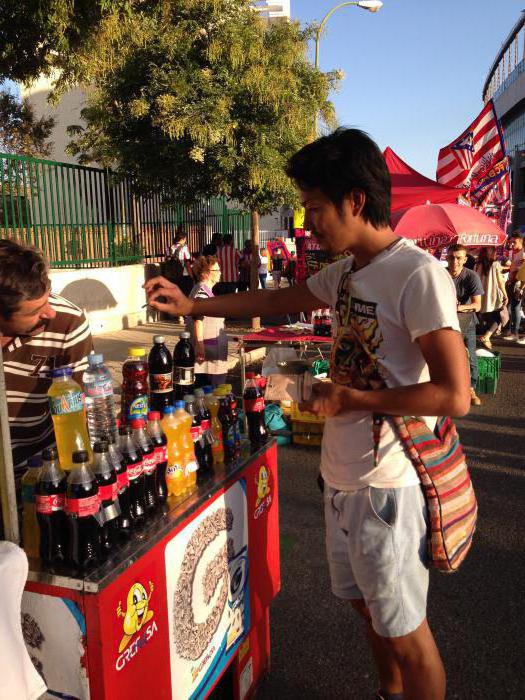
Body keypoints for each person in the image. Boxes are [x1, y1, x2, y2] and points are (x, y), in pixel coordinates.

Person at [146, 127, 470, 700]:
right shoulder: (347, 272)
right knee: (365, 609)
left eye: (315, 208)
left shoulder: (418, 275)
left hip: (388, 488)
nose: (308, 221)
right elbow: (276, 300)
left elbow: (453, 395)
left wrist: (355, 400)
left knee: (409, 636)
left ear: (355, 201)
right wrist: (195, 303)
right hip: (342, 479)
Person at [0, 239, 93, 482]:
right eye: (33, 311)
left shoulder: (67, 323)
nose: (49, 312)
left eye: (48, 297)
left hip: (40, 472)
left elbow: (80, 414)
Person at [446, 244, 484, 406]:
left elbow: (477, 305)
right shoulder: (440, 274)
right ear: (446, 258)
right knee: (445, 355)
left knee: (469, 356)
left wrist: (459, 307)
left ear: (465, 259)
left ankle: (471, 388)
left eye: (459, 257)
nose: (454, 261)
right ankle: (448, 386)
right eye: (451, 257)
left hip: (465, 320)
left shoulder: (471, 276)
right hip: (445, 320)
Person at [186, 256, 228, 388]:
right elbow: (198, 319)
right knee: (210, 387)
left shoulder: (201, 289)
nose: (220, 273)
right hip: (209, 348)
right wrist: (200, 345)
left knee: (206, 386)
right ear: (205, 274)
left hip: (211, 346)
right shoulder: (202, 291)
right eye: (216, 270)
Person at [474, 247, 508, 349]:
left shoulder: (476, 265)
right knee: (499, 318)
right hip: (493, 296)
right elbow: (500, 282)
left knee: (488, 317)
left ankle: (486, 336)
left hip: (481, 295)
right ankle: (486, 336)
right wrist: (505, 295)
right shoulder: (495, 264)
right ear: (491, 253)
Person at [503, 231, 525, 343]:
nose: (511, 244)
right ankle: (512, 331)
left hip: (519, 283)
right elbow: (512, 267)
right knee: (512, 307)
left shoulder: (523, 252)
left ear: (521, 241)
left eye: (514, 242)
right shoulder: (513, 252)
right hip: (512, 282)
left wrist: (517, 283)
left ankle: (515, 333)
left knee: (517, 308)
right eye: (510, 242)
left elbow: (521, 269)